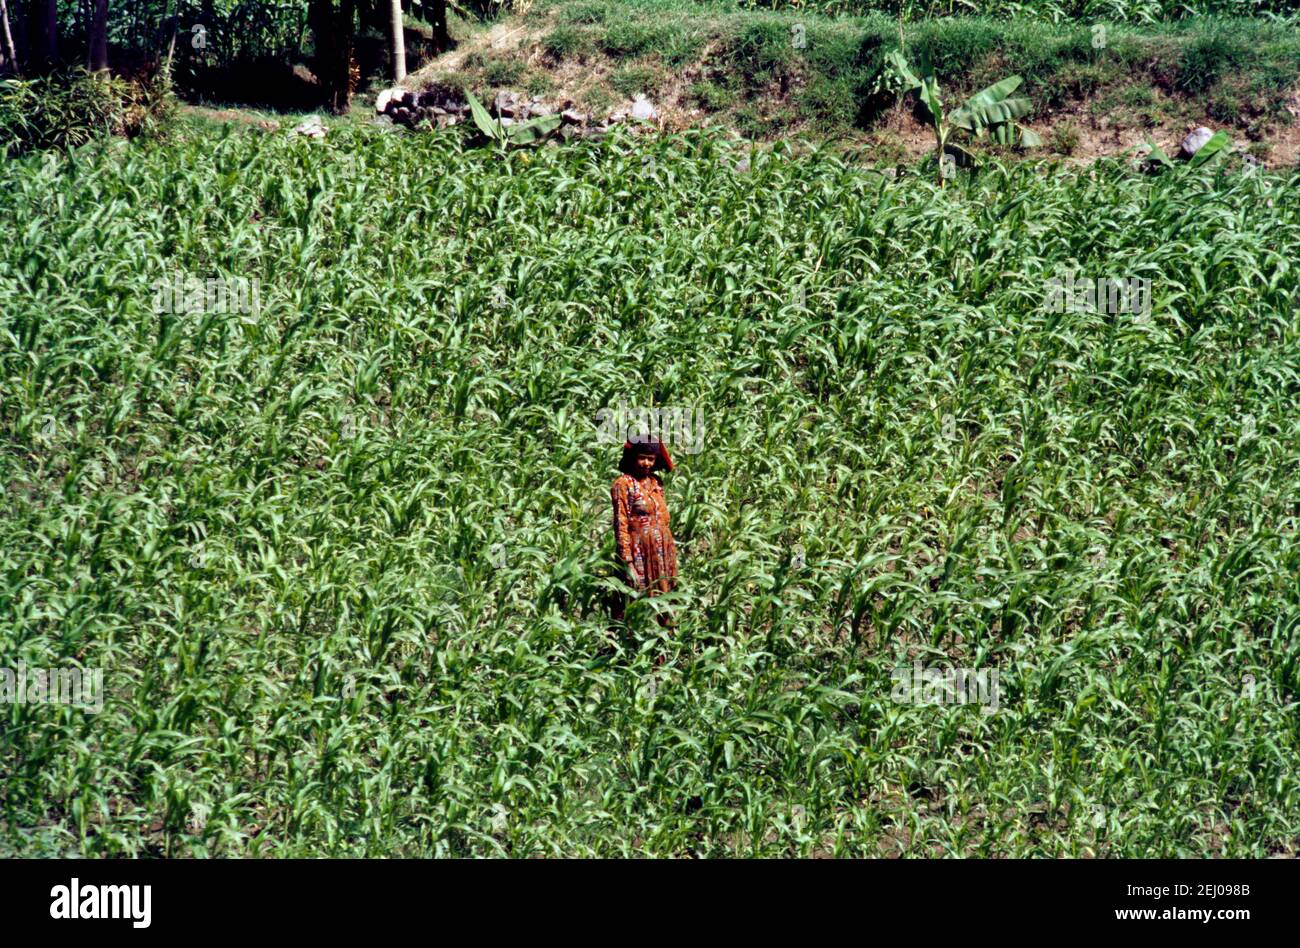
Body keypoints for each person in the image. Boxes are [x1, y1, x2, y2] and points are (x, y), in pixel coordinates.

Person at [610, 437, 678, 625]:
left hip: (661, 551)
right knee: (637, 596)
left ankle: (663, 641)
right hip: (638, 551)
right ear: (632, 457)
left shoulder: (656, 482)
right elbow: (620, 523)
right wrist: (627, 560)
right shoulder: (623, 485)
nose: (646, 463)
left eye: (651, 459)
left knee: (663, 594)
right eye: (642, 458)